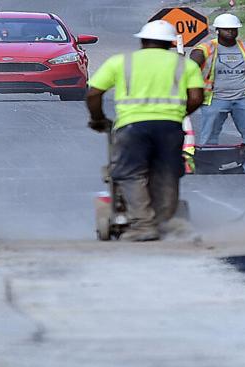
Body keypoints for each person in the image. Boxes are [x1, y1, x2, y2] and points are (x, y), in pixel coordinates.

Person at [84, 20, 205, 242]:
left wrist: (98, 119)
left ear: (141, 40)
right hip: (170, 127)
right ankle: (165, 222)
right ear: (170, 43)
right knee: (168, 172)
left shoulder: (121, 62)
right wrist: (178, 114)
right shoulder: (185, 65)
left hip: (132, 127)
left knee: (129, 173)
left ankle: (143, 224)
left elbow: (93, 93)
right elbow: (197, 97)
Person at [190, 14, 245, 173]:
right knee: (209, 135)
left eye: (233, 29)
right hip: (215, 98)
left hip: (244, 98)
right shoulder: (205, 49)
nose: (230, 32)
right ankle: (207, 163)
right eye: (226, 29)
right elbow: (191, 67)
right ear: (217, 30)